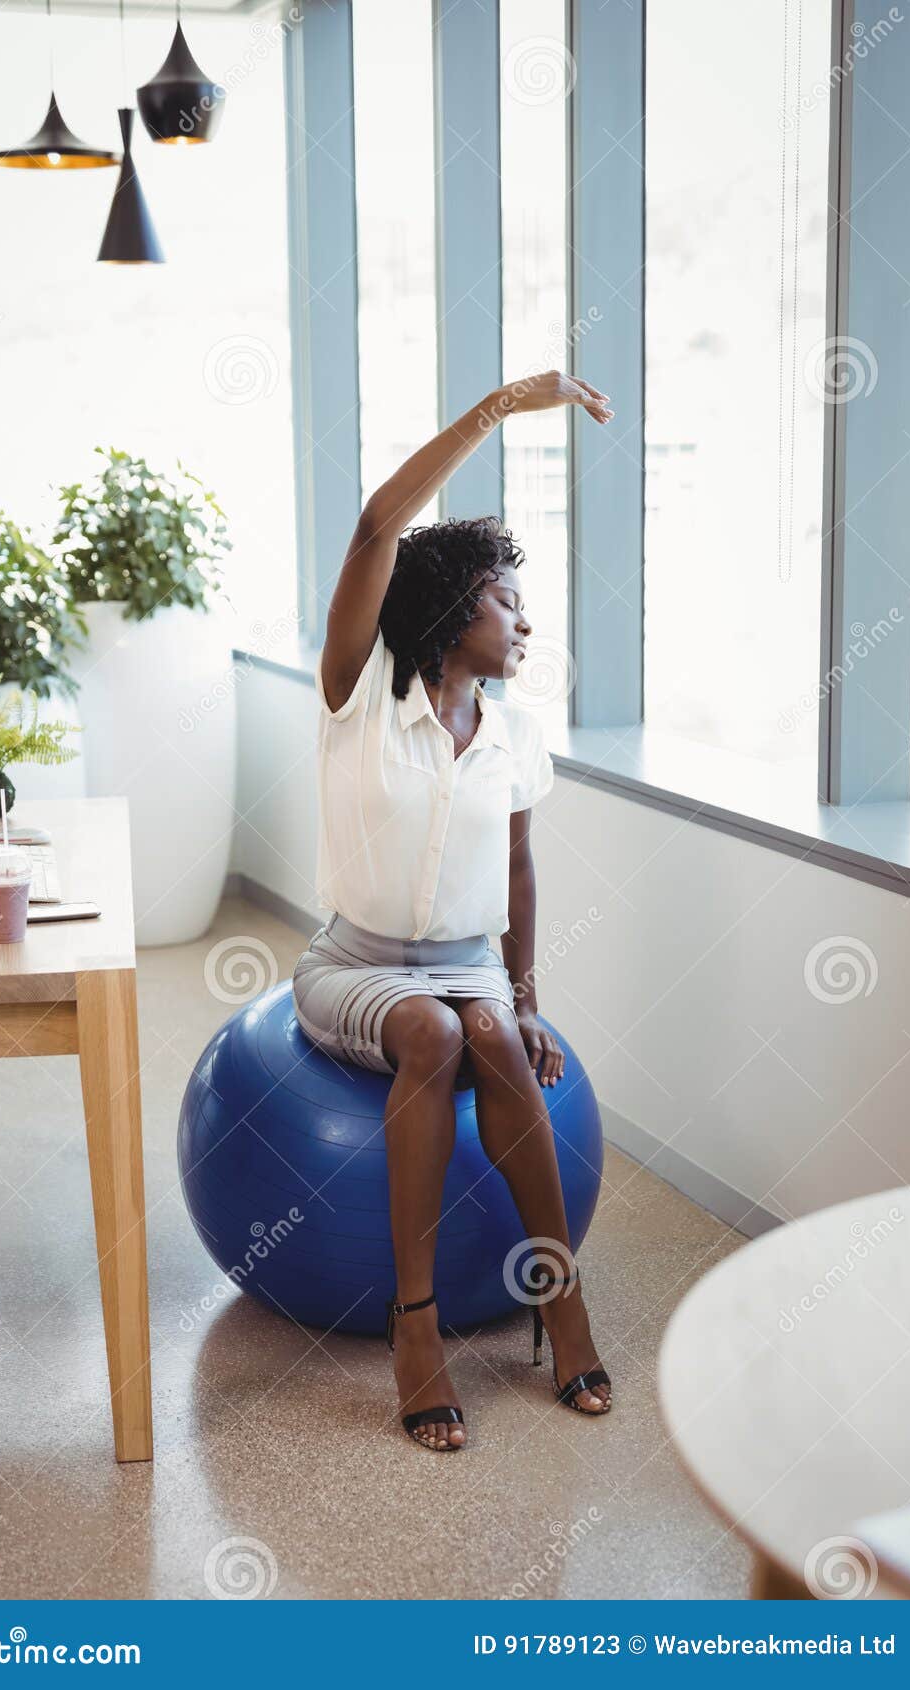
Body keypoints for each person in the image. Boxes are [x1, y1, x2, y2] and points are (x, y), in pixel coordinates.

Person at [291, 371, 615, 1453]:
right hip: (354, 962)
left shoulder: (514, 732)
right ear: (450, 608)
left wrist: (521, 997)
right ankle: (415, 1321)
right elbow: (377, 526)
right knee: (431, 1033)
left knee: (487, 1033)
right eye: (507, 601)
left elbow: (516, 870)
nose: (526, 621)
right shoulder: (358, 688)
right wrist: (498, 408)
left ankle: (559, 1298)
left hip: (469, 961)